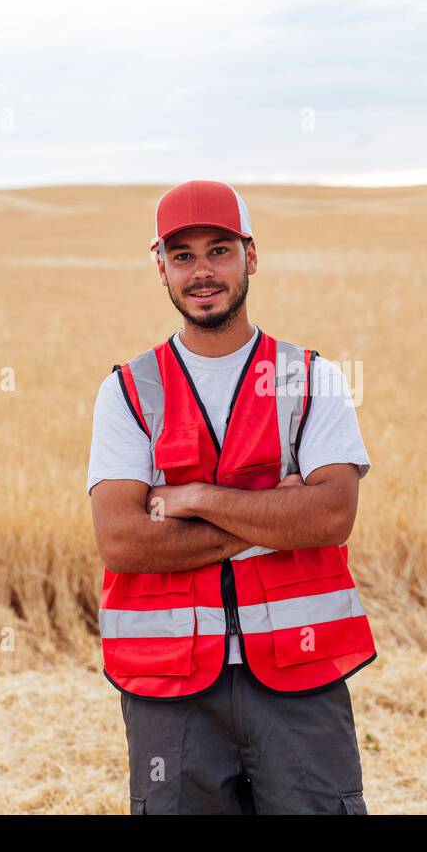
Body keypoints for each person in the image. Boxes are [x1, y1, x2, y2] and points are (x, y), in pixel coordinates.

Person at [86, 180, 377, 814]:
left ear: (251, 254)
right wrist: (275, 513)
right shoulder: (128, 391)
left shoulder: (310, 377)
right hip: (171, 681)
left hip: (299, 673)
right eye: (183, 255)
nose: (202, 272)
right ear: (160, 266)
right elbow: (123, 541)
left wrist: (189, 496)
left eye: (218, 250)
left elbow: (330, 515)